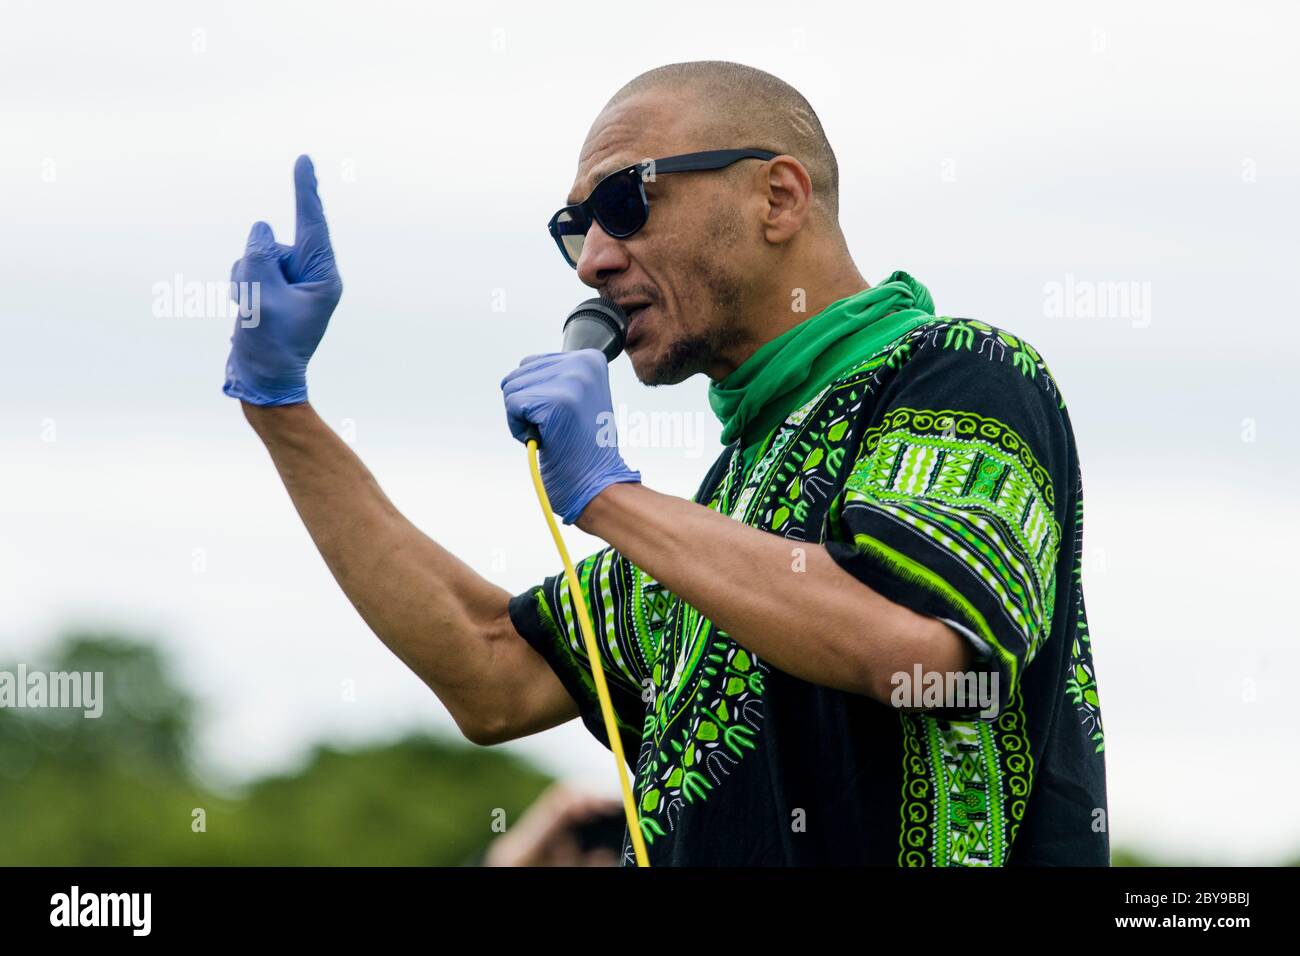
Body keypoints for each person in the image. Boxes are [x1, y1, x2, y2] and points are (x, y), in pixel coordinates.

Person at [223, 61, 1108, 866]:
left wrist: (607, 496)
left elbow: (919, 645)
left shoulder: (960, 371)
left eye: (626, 201)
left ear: (779, 197)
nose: (595, 260)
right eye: (575, 229)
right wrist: (281, 409)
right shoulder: (722, 509)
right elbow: (491, 670)